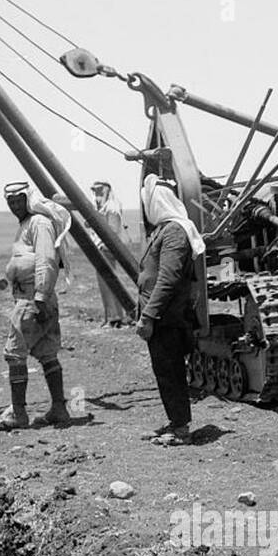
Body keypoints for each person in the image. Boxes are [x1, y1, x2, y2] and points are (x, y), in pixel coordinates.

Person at [0, 182, 74, 431]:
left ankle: (18, 413)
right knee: (47, 352)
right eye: (10, 202)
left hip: (33, 299)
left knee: (14, 353)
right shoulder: (26, 225)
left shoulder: (39, 223)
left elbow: (46, 259)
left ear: (28, 199)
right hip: (33, 297)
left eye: (18, 200)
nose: (14, 205)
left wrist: (40, 295)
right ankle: (59, 409)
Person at [136, 173, 206, 446]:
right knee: (166, 371)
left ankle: (181, 429)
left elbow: (168, 278)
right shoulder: (166, 230)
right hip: (164, 316)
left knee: (170, 371)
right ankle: (176, 421)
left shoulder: (175, 232)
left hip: (165, 317)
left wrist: (149, 315)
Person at [88, 181, 128, 327]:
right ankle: (112, 316)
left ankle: (114, 317)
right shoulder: (103, 206)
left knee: (109, 282)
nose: (97, 193)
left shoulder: (111, 206)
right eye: (95, 191)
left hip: (106, 248)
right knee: (105, 283)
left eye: (100, 190)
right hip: (100, 248)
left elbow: (112, 230)